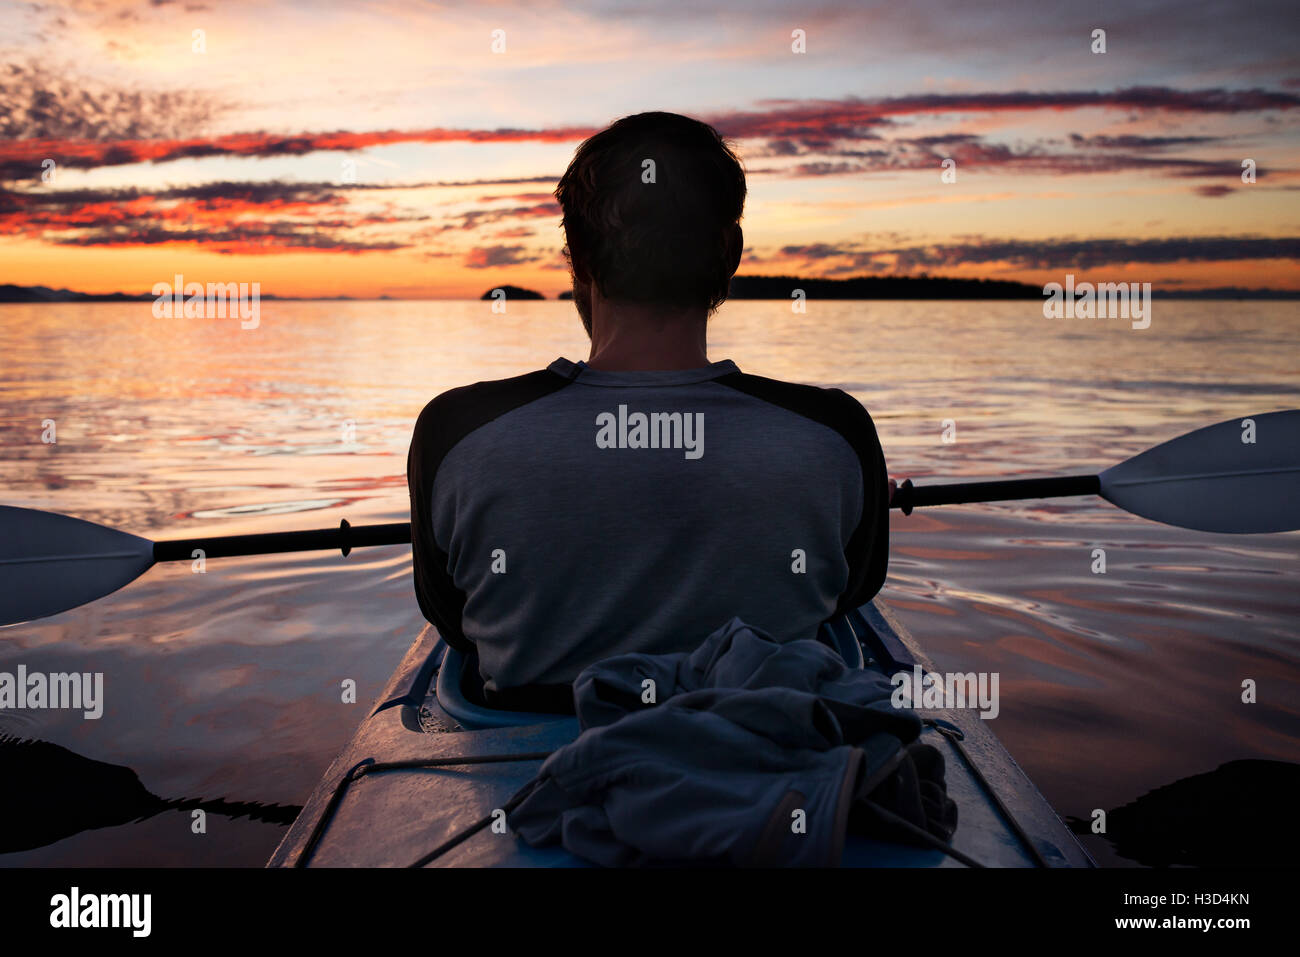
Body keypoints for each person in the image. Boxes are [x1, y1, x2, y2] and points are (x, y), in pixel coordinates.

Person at [408, 111, 891, 712]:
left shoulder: (456, 431)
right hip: (764, 740)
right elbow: (850, 595)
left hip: (525, 750)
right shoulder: (835, 432)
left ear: (577, 258)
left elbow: (454, 624)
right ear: (732, 254)